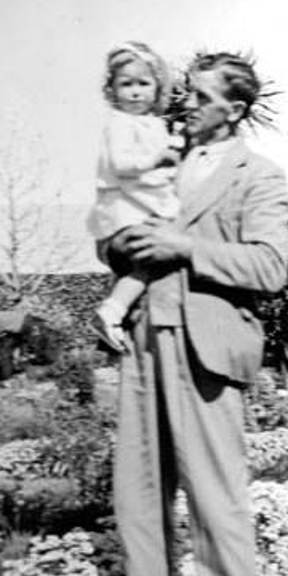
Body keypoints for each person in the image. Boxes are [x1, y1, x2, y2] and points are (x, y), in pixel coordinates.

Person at [110, 51, 288, 576]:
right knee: (136, 502)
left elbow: (270, 266)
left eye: (202, 96)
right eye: (185, 91)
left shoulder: (256, 174)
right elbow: (118, 240)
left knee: (218, 508)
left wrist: (183, 247)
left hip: (206, 351)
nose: (185, 102)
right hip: (141, 345)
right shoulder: (157, 162)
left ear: (234, 110)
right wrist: (118, 241)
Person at [86, 41, 183, 351]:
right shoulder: (119, 124)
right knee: (152, 259)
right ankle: (110, 312)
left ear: (157, 88)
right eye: (126, 84)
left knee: (141, 267)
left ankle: (115, 315)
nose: (135, 92)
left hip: (139, 206)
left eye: (143, 83)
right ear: (112, 90)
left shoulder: (153, 124)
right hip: (122, 211)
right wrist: (158, 160)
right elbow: (122, 165)